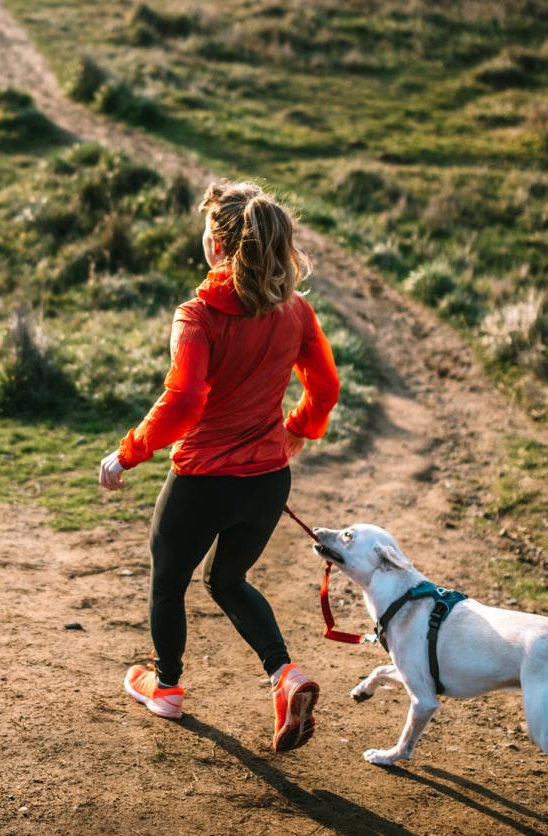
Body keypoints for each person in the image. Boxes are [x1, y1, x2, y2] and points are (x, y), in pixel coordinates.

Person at [99, 181, 339, 753]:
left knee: (170, 582)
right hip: (266, 482)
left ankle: (167, 688)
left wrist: (128, 451)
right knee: (227, 580)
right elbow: (325, 387)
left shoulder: (198, 315)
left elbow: (184, 403)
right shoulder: (295, 309)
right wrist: (298, 430)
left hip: (202, 482)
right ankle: (286, 676)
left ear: (218, 245)